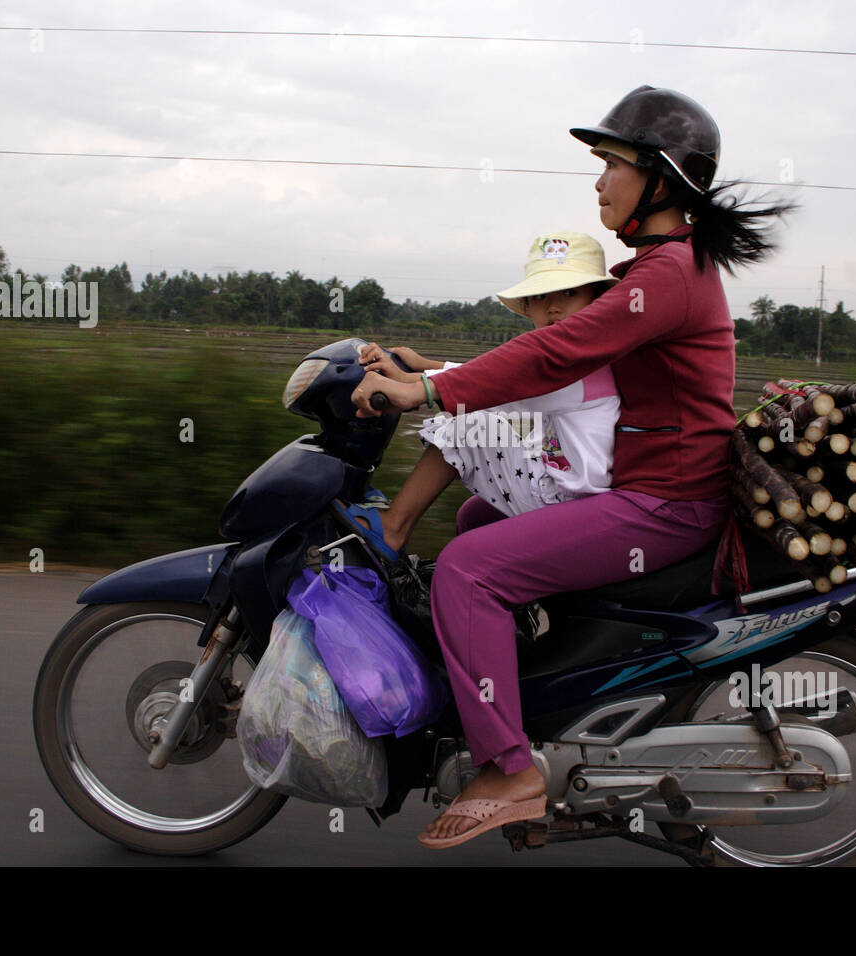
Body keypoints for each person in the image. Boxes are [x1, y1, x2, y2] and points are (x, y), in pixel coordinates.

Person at [350, 85, 796, 849]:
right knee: (476, 518)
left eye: (610, 165)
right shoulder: (657, 268)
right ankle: (543, 693)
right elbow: (554, 365)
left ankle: (510, 767)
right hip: (651, 491)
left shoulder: (666, 273)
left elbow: (556, 352)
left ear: (659, 176)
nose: (598, 182)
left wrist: (427, 389)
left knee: (465, 570)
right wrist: (427, 368)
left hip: (664, 504)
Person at [335, 233, 620, 561]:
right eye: (541, 296)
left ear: (597, 302)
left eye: (570, 293)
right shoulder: (582, 360)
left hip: (565, 502)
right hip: (568, 491)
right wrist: (424, 367)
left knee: (470, 424)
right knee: (481, 427)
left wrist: (409, 385)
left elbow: (491, 387)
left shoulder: (574, 368)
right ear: (528, 307)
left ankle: (394, 526)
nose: (553, 306)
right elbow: (495, 376)